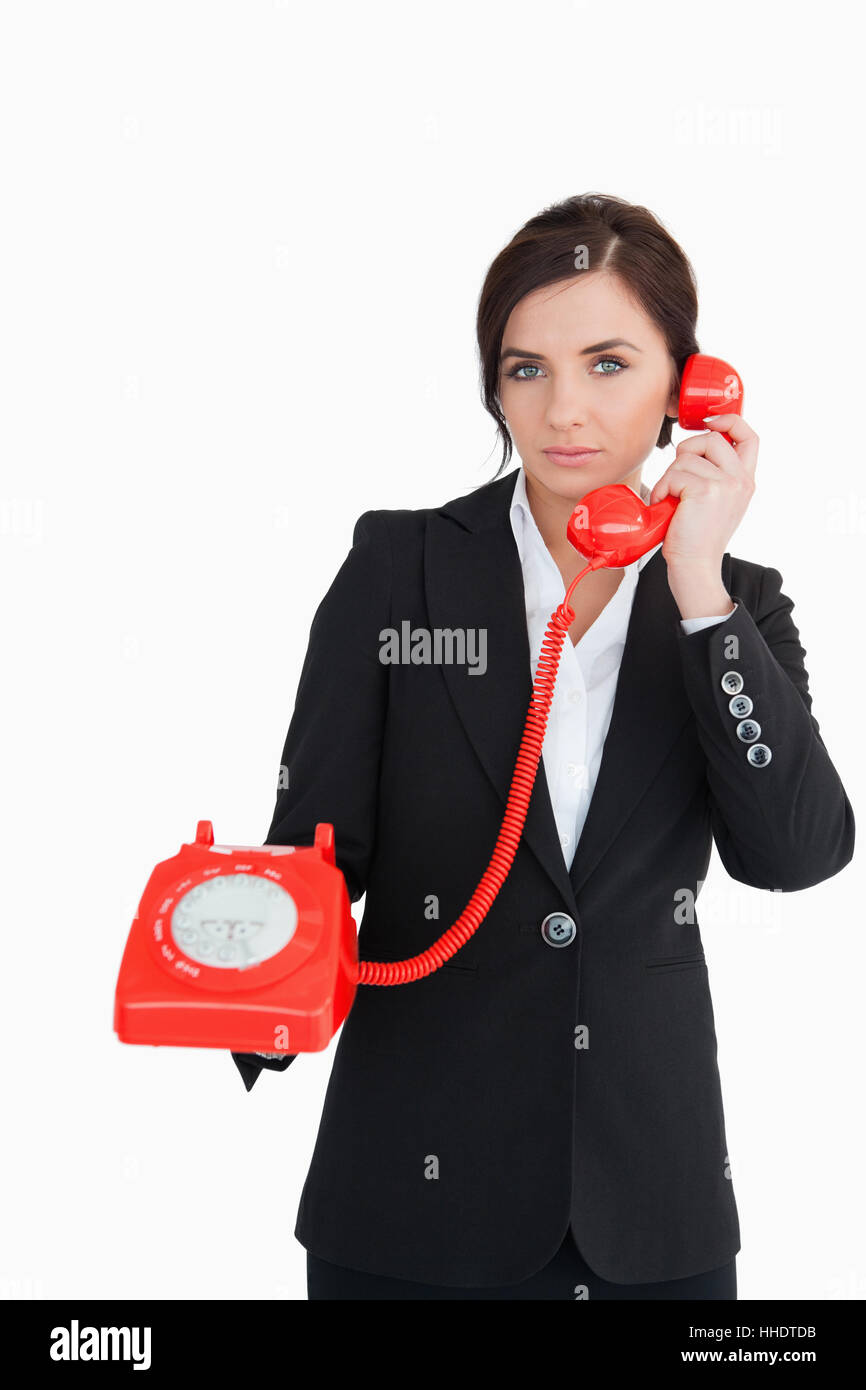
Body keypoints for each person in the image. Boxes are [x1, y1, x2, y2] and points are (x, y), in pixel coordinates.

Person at [232, 193, 855, 1300]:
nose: (562, 410)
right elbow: (314, 849)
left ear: (689, 386)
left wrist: (698, 588)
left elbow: (794, 852)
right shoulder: (399, 569)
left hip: (647, 1211)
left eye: (607, 363)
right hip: (410, 1204)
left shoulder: (734, 605)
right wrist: (239, 989)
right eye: (526, 370)